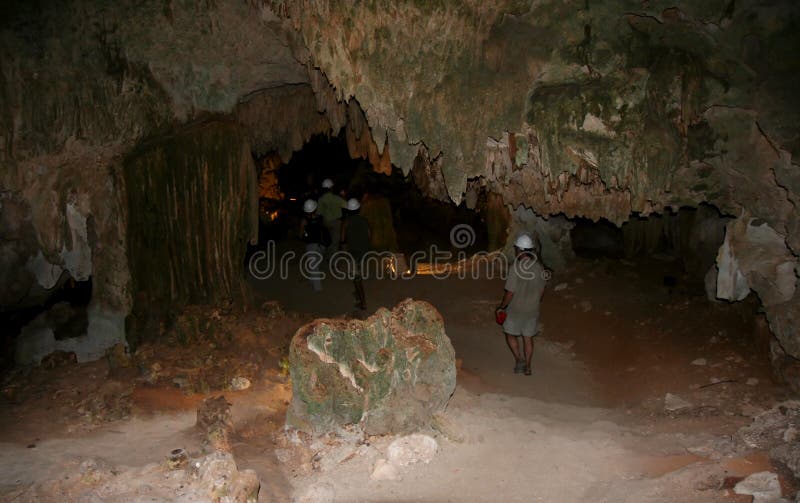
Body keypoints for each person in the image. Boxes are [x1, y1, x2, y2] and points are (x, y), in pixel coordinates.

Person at [496, 234, 547, 376]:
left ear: (519, 250)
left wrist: (502, 307)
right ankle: (528, 367)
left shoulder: (515, 267)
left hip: (516, 310)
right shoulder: (539, 268)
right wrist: (535, 301)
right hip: (532, 310)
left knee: (509, 334)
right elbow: (542, 290)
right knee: (528, 338)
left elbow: (510, 293)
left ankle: (519, 360)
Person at [341, 197, 371, 311]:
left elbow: (342, 239)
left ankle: (363, 303)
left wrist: (344, 253)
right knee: (357, 274)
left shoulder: (346, 222)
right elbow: (369, 236)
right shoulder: (364, 220)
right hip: (364, 251)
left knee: (356, 277)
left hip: (353, 253)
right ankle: (358, 293)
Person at [300, 199, 328, 292]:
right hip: (322, 245)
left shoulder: (304, 221)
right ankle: (312, 281)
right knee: (315, 264)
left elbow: (301, 234)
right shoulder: (320, 218)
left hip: (311, 246)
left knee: (313, 266)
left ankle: (318, 287)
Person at [317, 178, 346, 254]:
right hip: (336, 222)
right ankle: (333, 261)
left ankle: (328, 256)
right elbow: (347, 205)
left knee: (328, 240)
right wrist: (343, 196)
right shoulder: (336, 198)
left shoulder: (320, 199)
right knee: (335, 242)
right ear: (331, 188)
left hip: (325, 221)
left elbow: (318, 213)